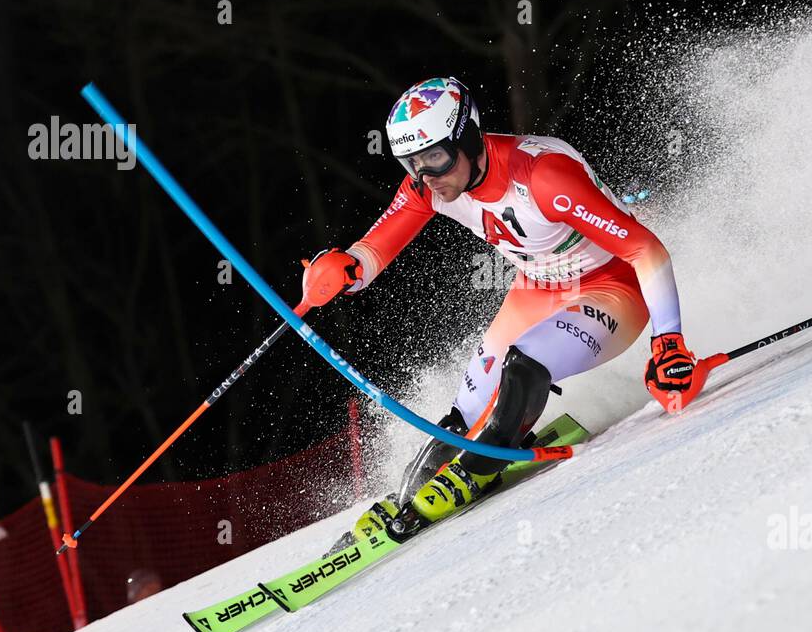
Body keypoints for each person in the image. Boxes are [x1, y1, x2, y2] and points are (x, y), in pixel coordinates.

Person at [297, 77, 704, 534]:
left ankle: (475, 472)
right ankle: (409, 494)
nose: (427, 175)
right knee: (467, 409)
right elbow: (370, 255)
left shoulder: (543, 176)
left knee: (524, 364)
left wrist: (668, 342)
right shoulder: (429, 187)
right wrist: (340, 271)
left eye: (436, 157)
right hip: (537, 288)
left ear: (468, 138)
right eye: (413, 162)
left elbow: (646, 251)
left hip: (611, 288)